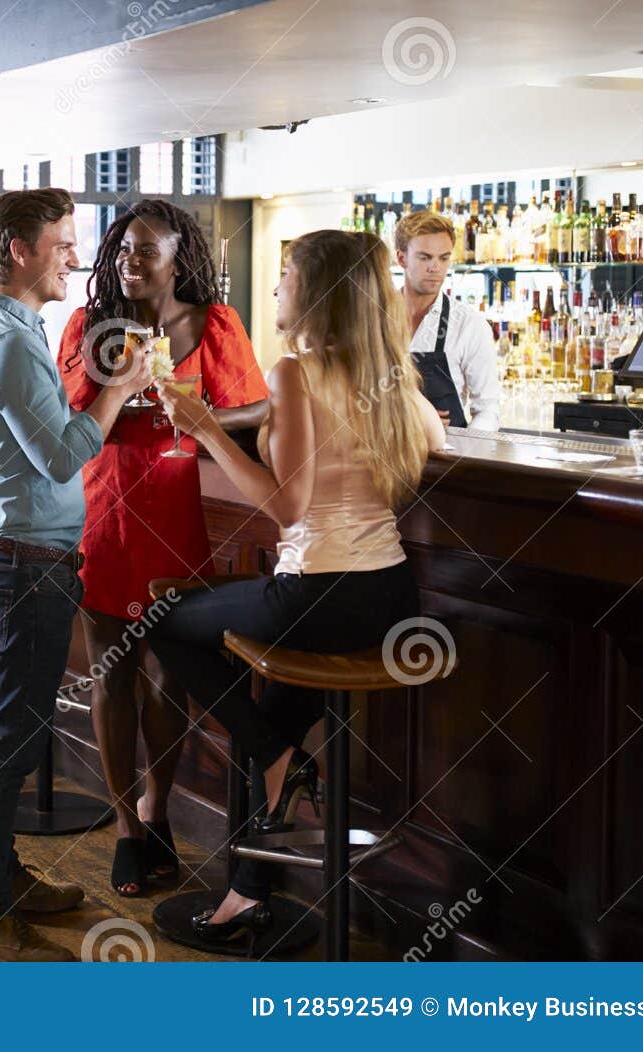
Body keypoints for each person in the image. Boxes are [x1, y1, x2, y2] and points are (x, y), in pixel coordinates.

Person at [149, 229, 446, 944]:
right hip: (388, 598)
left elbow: (288, 506)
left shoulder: (296, 371)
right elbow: (436, 445)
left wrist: (204, 431)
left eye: (285, 274)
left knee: (162, 618)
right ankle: (244, 898)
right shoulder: (394, 374)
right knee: (278, 717)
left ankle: (267, 751)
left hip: (317, 591)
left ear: (315, 292)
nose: (277, 287)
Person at [0, 187, 153, 962]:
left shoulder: (15, 329)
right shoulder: (7, 340)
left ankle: (1, 878)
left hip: (25, 560)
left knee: (12, 734)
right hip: (21, 568)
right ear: (18, 250)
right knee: (6, 738)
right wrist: (122, 386)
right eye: (64, 242)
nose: (76, 254)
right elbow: (66, 452)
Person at [56, 200, 269, 897]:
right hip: (106, 509)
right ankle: (125, 828)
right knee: (112, 675)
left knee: (169, 676)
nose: (129, 261)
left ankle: (157, 811)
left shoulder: (215, 325)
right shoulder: (90, 326)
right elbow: (70, 418)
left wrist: (194, 414)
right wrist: (124, 387)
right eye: (123, 248)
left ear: (182, 257)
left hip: (175, 513)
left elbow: (260, 408)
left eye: (147, 249)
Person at [396, 210, 500, 430]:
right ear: (401, 258)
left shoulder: (469, 324)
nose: (436, 267)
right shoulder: (373, 319)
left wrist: (465, 453)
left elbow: (488, 410)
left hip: (448, 456)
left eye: (444, 258)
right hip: (383, 457)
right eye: (425, 257)